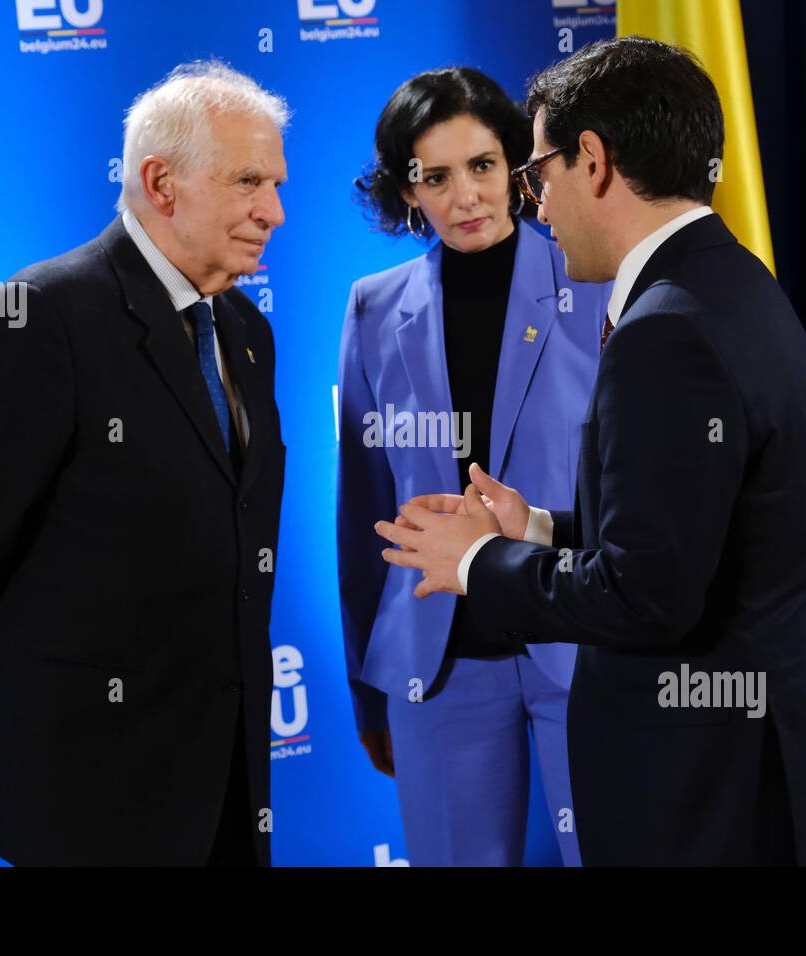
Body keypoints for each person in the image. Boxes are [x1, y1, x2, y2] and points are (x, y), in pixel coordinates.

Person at [374, 37, 806, 866]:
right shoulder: (734, 281)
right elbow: (688, 533)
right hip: (758, 760)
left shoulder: (664, 331)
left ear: (591, 162)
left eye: (535, 174)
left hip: (702, 788)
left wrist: (481, 559)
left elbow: (645, 597)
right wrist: (537, 529)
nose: (535, 204)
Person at [0, 60, 289, 866]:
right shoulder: (41, 316)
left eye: (277, 183)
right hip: (84, 797)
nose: (274, 212)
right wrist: (20, 713)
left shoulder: (247, 330)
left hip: (226, 788)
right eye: (249, 181)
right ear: (160, 182)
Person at [338, 67, 608, 865]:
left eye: (484, 166)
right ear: (406, 191)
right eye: (436, 176)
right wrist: (366, 680)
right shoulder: (373, 306)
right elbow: (363, 511)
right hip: (437, 657)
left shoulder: (594, 283)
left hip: (584, 638)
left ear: (518, 166)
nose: (466, 196)